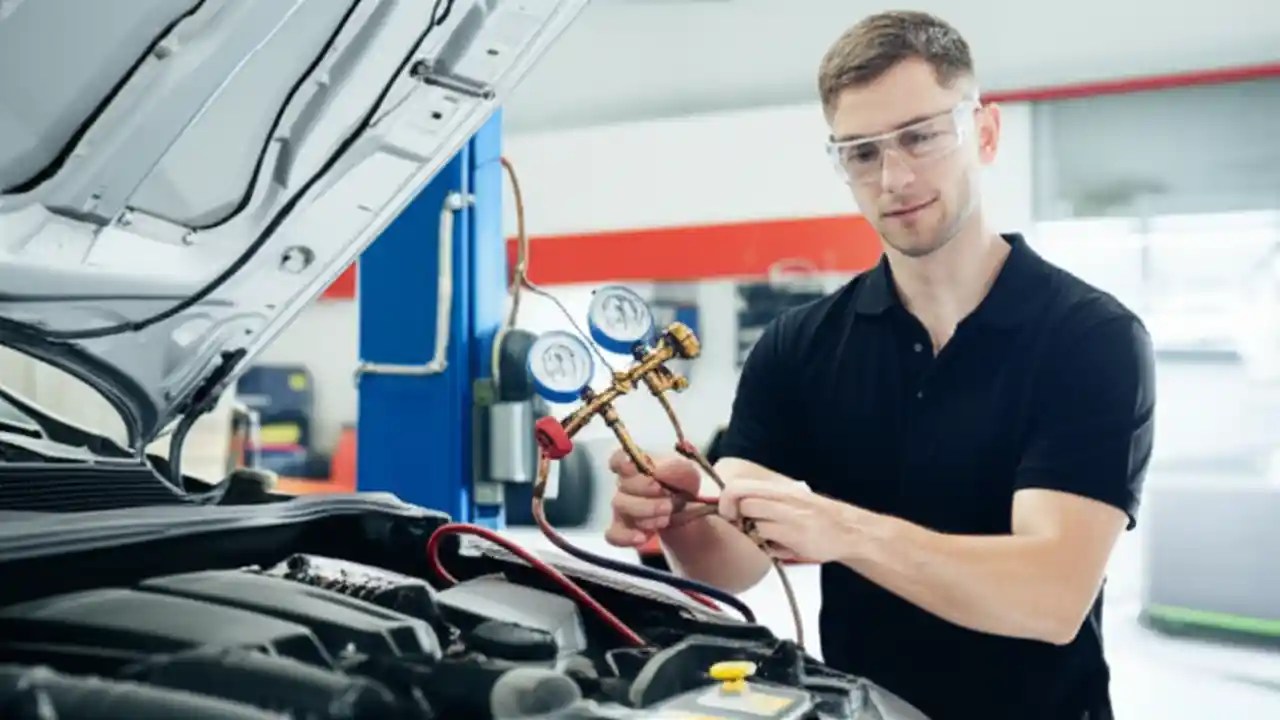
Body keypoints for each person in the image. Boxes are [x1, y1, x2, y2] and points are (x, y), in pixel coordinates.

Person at [604, 10, 1155, 720]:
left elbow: (1049, 595)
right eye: (862, 153)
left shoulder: (1089, 338)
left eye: (921, 137)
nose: (894, 176)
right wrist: (684, 516)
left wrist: (841, 529)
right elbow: (736, 561)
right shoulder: (798, 346)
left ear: (983, 134)